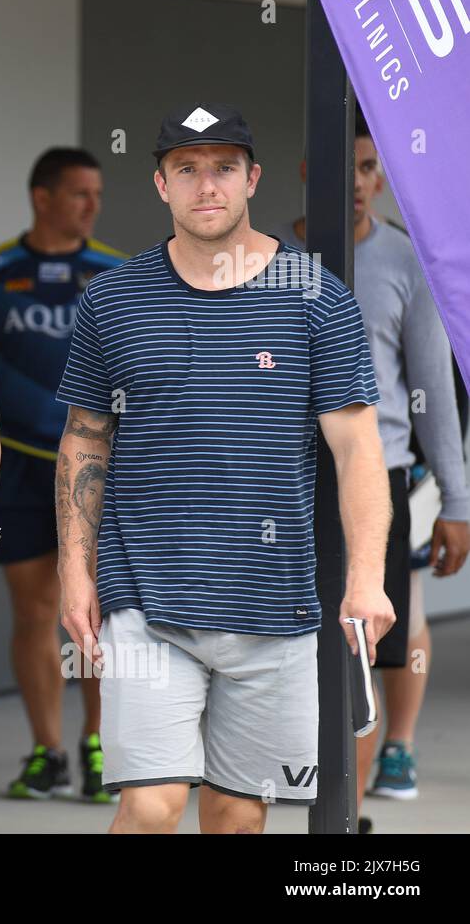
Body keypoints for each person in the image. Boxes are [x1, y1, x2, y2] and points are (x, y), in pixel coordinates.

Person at [56, 102, 394, 833]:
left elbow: (359, 450)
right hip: (145, 597)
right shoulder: (113, 299)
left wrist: (366, 576)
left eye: (223, 169)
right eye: (187, 170)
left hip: (273, 607)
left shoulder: (316, 297)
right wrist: (76, 573)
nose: (206, 186)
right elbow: (85, 437)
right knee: (150, 806)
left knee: (239, 817)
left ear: (251, 178)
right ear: (160, 184)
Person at [270, 112, 469, 814]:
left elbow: (432, 390)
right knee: (295, 624)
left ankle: (388, 754)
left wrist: (457, 501)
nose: (355, 183)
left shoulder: (405, 261)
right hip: (286, 478)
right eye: (340, 167)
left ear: (381, 178)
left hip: (379, 475)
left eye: (366, 169)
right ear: (305, 171)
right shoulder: (264, 260)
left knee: (383, 625)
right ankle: (308, 764)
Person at [0, 147, 126, 803]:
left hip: (97, 469)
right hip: (19, 465)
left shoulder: (119, 273)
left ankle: (98, 746)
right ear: (42, 197)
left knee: (98, 615)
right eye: (78, 193)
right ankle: (47, 751)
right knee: (36, 612)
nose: (92, 205)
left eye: (96, 193)